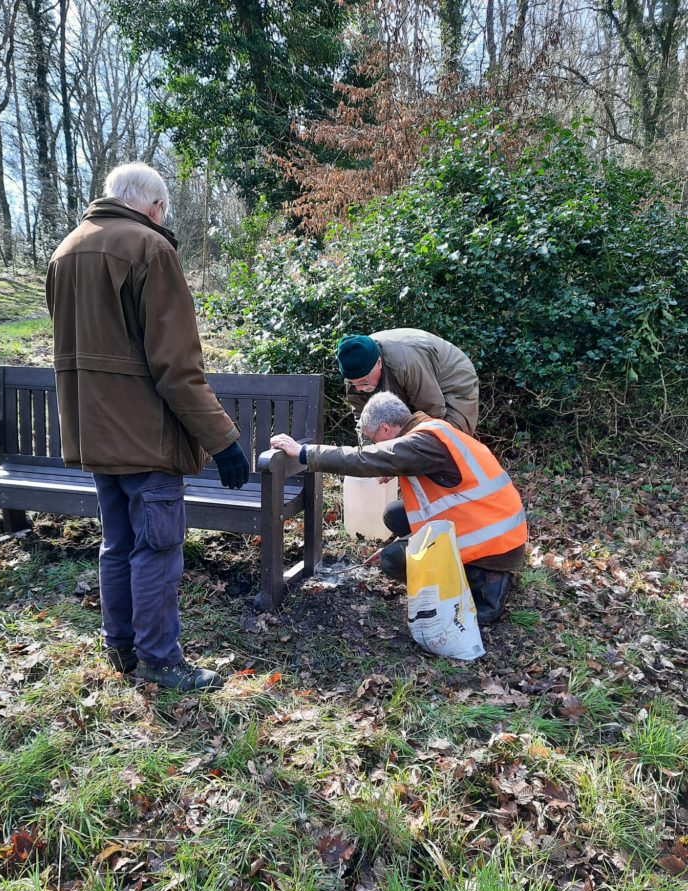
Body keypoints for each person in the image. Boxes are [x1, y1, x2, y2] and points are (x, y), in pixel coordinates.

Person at [46, 162, 250, 691]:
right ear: (154, 205)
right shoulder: (150, 249)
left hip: (93, 433)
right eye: (164, 209)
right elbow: (176, 368)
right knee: (156, 547)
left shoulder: (66, 250)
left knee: (117, 543)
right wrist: (224, 441)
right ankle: (161, 662)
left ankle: (123, 651)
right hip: (144, 436)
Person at [271, 392, 526, 625]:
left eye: (374, 439)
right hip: (484, 520)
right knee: (394, 514)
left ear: (385, 428)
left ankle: (483, 582)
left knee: (394, 560)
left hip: (495, 545)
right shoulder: (431, 431)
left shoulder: (422, 443)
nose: (374, 445)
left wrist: (305, 453)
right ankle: (468, 569)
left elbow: (365, 459)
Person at [337, 328, 479, 436]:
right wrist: (371, 458)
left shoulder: (405, 362)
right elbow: (365, 421)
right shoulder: (354, 373)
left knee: (447, 438)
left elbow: (433, 412)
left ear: (379, 362)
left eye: (363, 381)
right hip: (410, 383)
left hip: (452, 381)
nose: (359, 389)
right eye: (352, 383)